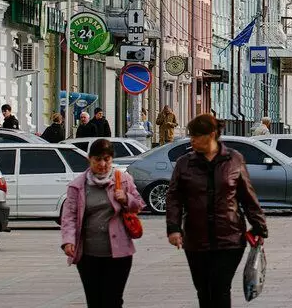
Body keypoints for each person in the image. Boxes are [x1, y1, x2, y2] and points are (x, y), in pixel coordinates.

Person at [166, 113, 268, 308]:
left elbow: (247, 196)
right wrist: (173, 228)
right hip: (196, 238)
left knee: (220, 287)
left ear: (212, 134)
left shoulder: (234, 159)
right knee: (203, 290)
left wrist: (259, 227)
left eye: (196, 136)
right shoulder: (184, 163)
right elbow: (174, 198)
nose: (192, 140)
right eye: (191, 136)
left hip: (229, 237)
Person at [60, 138, 145, 307]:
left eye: (107, 159)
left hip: (119, 254)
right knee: (94, 300)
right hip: (88, 255)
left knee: (113, 299)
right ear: (89, 159)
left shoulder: (124, 179)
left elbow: (139, 205)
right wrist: (68, 241)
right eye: (97, 159)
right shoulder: (77, 186)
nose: (103, 164)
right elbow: (69, 216)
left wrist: (126, 198)